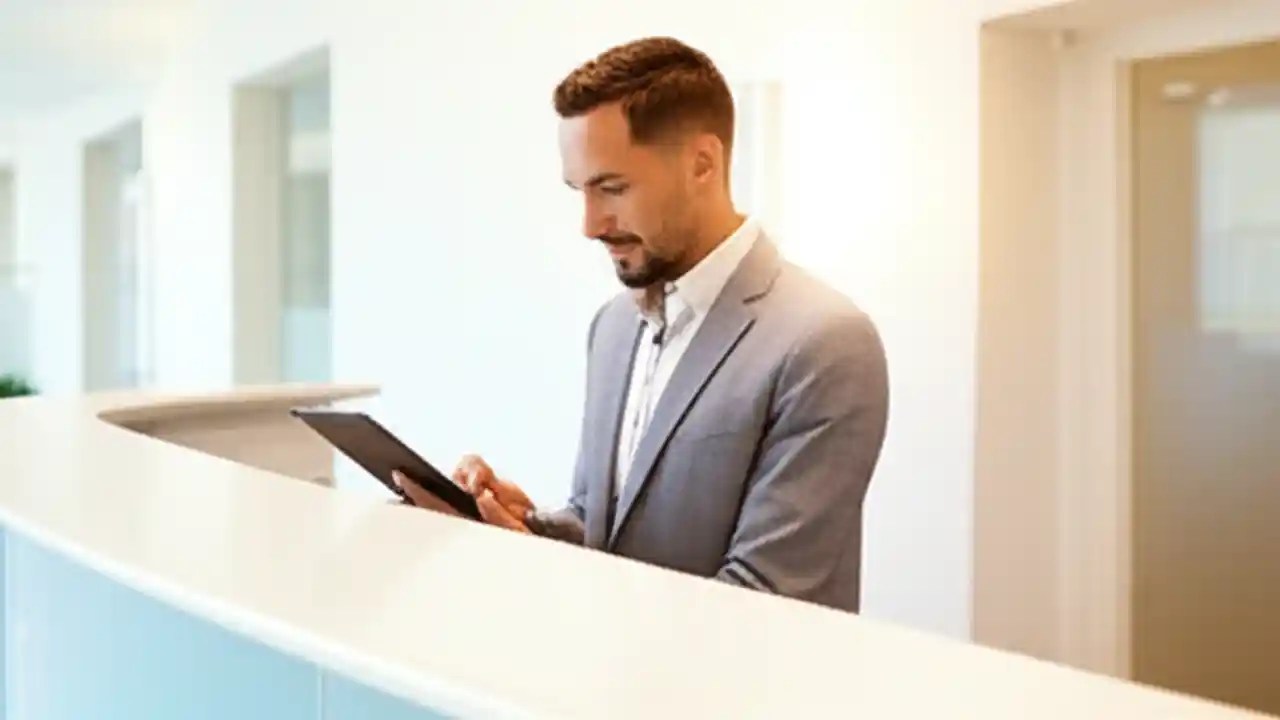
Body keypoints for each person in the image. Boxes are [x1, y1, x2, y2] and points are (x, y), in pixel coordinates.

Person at [396, 36, 889, 612]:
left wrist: (546, 578)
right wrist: (521, 527)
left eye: (612, 188)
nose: (589, 224)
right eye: (579, 191)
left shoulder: (825, 342)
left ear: (702, 164)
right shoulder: (612, 329)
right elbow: (603, 529)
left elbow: (763, 607)